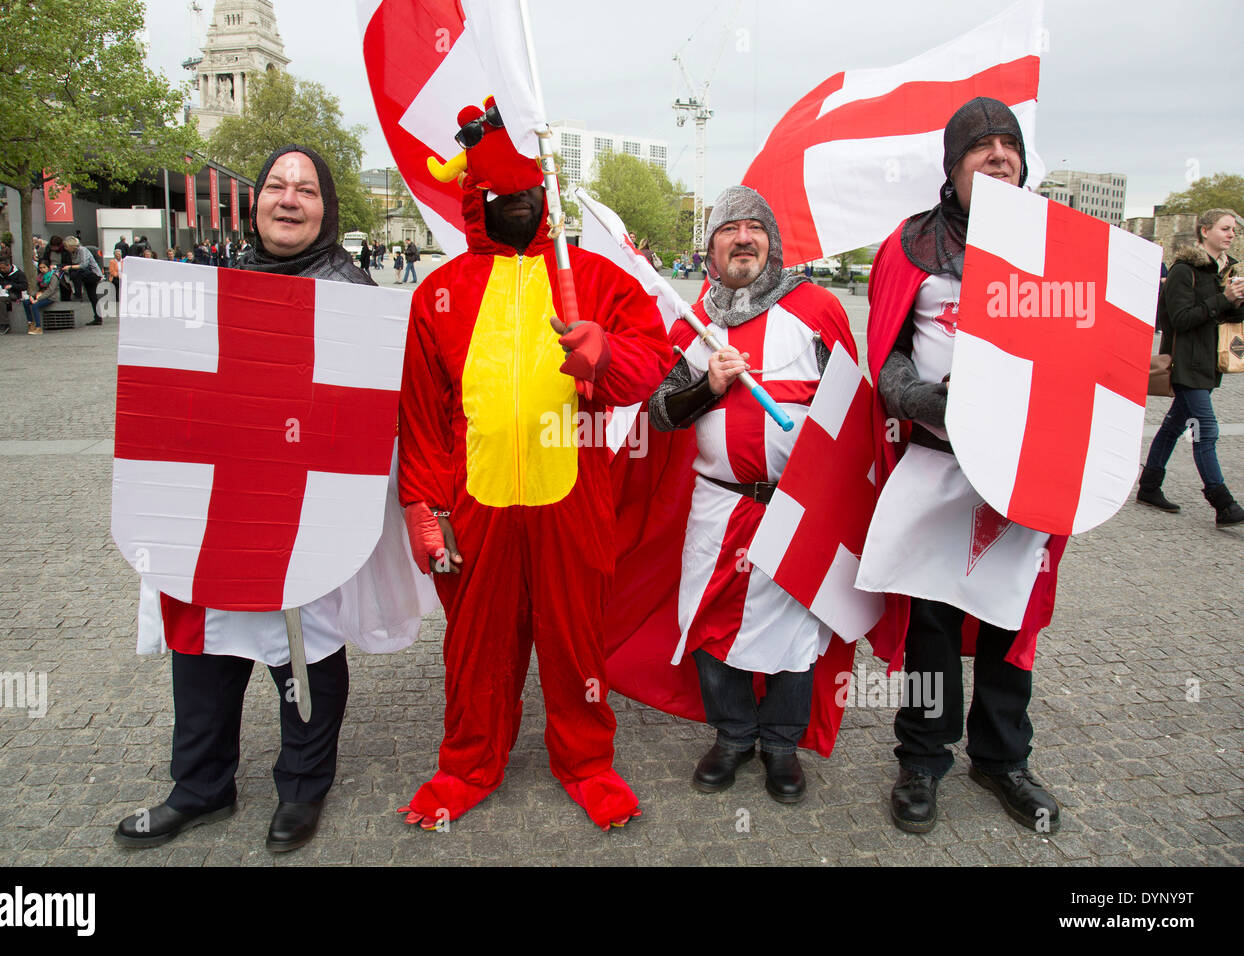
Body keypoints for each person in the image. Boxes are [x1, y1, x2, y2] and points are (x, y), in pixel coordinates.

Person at [397, 98, 671, 830]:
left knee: (575, 636)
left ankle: (586, 762)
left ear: (545, 195)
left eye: (526, 193)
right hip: (476, 505)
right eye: (499, 196)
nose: (515, 205)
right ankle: (466, 763)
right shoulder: (439, 295)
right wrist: (425, 510)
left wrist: (604, 353)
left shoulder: (596, 282)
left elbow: (654, 362)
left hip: (573, 500)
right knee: (475, 645)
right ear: (475, 200)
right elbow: (422, 418)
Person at [115, 144, 392, 854]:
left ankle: (303, 789)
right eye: (276, 186)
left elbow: (364, 421)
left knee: (306, 647)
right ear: (258, 201)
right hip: (220, 502)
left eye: (305, 189)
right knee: (204, 643)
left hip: (305, 506)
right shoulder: (217, 281)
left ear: (325, 208)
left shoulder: (350, 293)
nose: (288, 198)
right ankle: (201, 788)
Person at [857, 97, 1066, 836]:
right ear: (954, 166)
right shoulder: (911, 245)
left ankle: (1003, 757)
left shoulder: (1056, 245)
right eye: (982, 147)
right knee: (932, 623)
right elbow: (885, 353)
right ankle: (922, 756)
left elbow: (1088, 348)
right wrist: (922, 399)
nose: (999, 154)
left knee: (1013, 615)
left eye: (1009, 144)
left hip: (1028, 468)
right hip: (938, 459)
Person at [646, 186, 856, 803]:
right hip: (718, 504)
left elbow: (854, 410)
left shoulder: (816, 310)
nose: (743, 238)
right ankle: (734, 736)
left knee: (796, 625)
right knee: (712, 620)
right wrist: (707, 386)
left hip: (795, 505)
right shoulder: (695, 323)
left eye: (754, 228)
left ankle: (783, 746)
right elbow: (662, 413)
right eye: (728, 228)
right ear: (710, 247)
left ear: (772, 241)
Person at [1136, 209, 1244, 526]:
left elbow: (1228, 319)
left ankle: (1149, 486)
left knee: (1173, 426)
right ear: (1204, 230)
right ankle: (1222, 503)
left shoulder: (1226, 271)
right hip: (1184, 362)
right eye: (1225, 229)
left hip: (1210, 363)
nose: (1231, 234)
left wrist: (1237, 302)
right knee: (1206, 429)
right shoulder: (1185, 271)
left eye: (1234, 230)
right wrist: (1224, 298)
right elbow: (1180, 320)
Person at [61, 236, 103, 324]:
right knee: (92, 296)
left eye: (67, 247)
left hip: (93, 274)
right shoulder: (73, 253)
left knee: (75, 273)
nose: (66, 249)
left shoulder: (82, 250)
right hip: (85, 274)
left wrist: (70, 267)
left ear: (72, 246)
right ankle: (98, 317)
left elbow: (84, 265)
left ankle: (78, 294)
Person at [0, 255, 28, 334]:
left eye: (4, 268)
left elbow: (24, 286)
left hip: (13, 293)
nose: (2, 270)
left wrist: (12, 286)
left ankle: (4, 324)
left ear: (9, 265)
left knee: (1, 299)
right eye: (0, 268)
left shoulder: (19, 273)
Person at [25, 262, 58, 335]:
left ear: (48, 267)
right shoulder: (39, 276)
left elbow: (50, 290)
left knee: (35, 306)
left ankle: (38, 327)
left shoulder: (53, 276)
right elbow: (36, 288)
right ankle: (31, 323)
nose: (42, 269)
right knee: (26, 302)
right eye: (40, 268)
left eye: (44, 267)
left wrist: (38, 299)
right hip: (39, 295)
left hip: (50, 297)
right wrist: (31, 296)